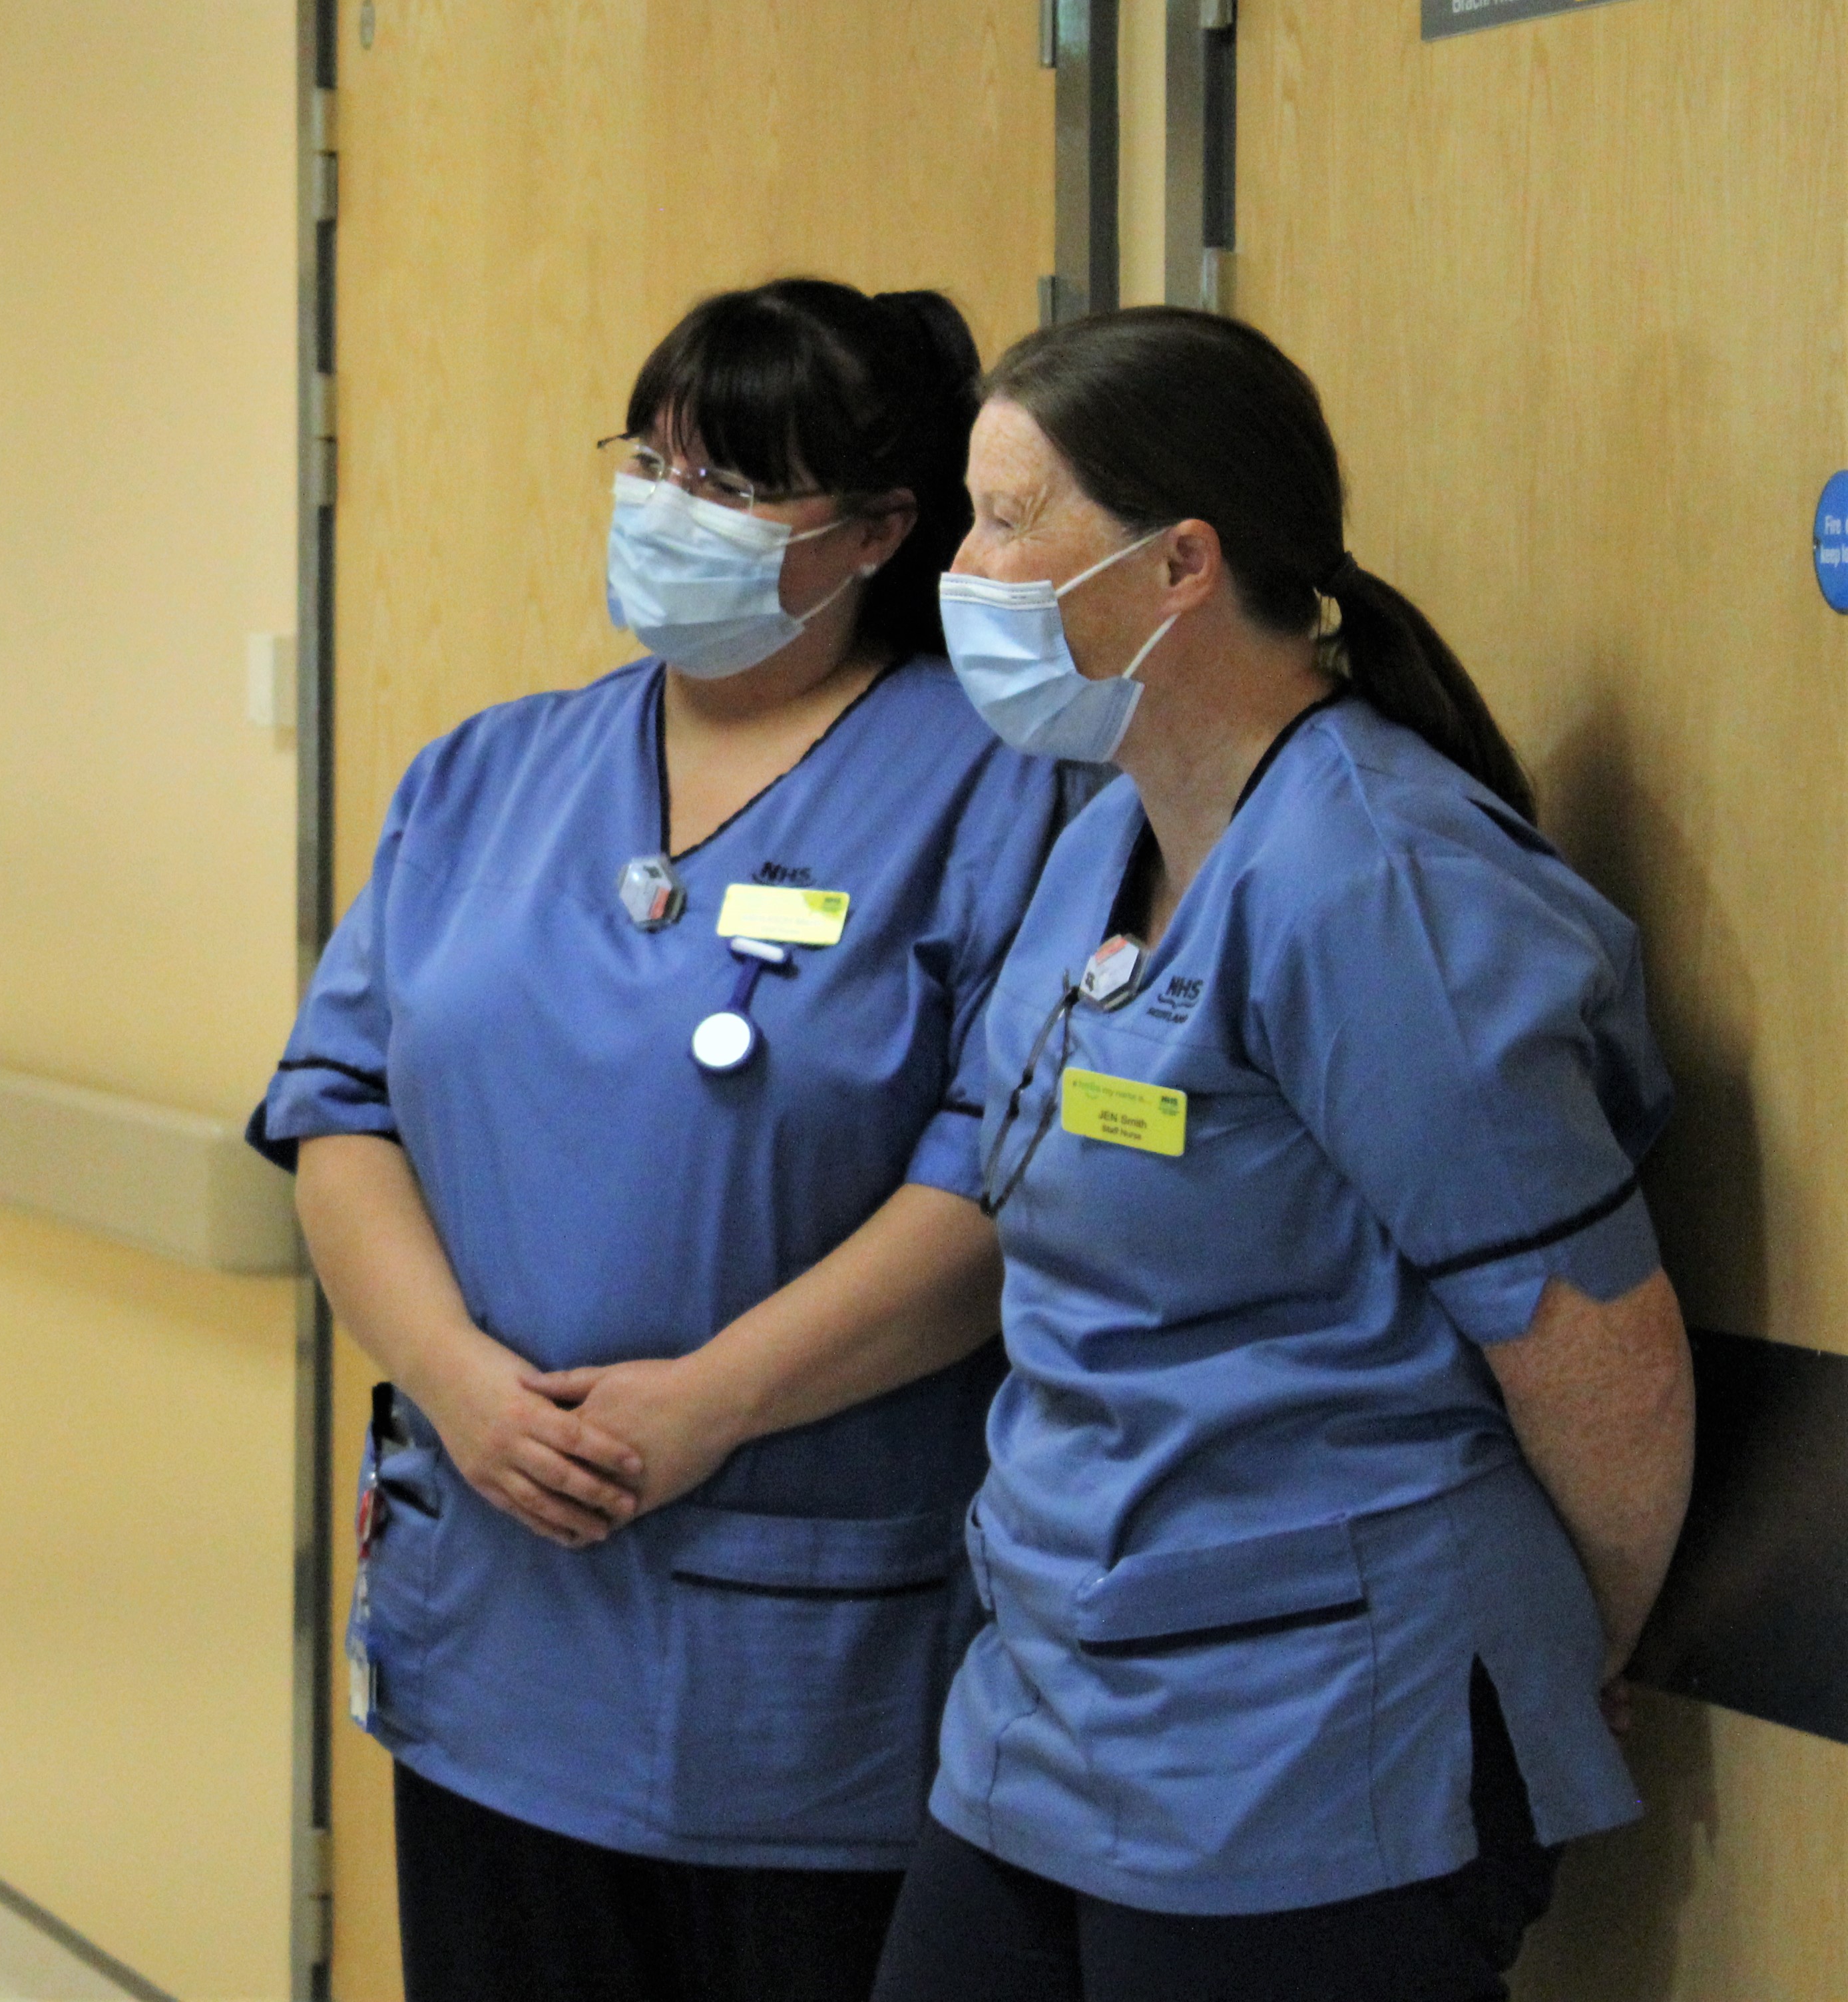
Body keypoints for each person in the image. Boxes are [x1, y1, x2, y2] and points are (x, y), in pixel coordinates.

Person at [252, 280, 1074, 1999]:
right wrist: (457, 1380)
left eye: (733, 485)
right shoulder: (485, 774)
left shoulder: (1002, 785)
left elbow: (1010, 1166)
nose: (666, 513)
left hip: (807, 1634)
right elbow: (341, 1108)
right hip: (491, 1594)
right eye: (654, 462)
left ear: (878, 531)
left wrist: (711, 1403)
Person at [870, 308, 1695, 2001]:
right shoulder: (1115, 834)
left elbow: (1599, 1352)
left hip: (1316, 1746)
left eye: (1011, 520)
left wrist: (1562, 1644)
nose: (965, 567)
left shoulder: (1373, 883)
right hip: (1051, 1699)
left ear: (1181, 564)